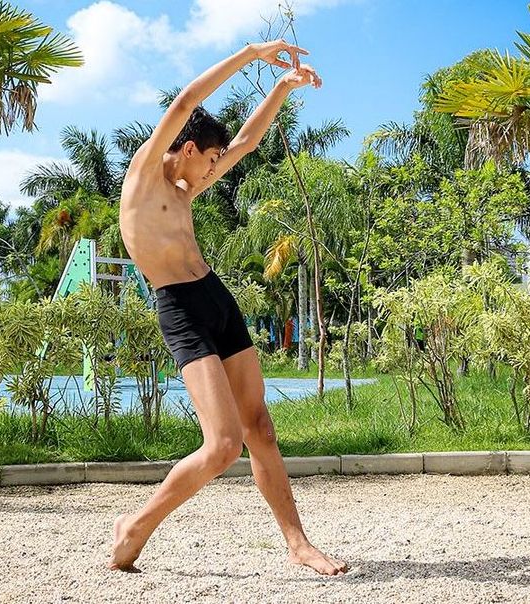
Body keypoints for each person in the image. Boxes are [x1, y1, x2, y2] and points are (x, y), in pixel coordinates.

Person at [113, 39, 347, 576]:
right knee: (221, 446)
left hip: (216, 299)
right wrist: (253, 52)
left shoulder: (183, 189)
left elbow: (244, 142)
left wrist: (283, 87)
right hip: (181, 310)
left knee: (259, 428)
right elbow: (186, 100)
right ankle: (135, 525)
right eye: (210, 159)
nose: (214, 169)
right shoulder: (145, 175)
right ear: (189, 147)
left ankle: (298, 544)